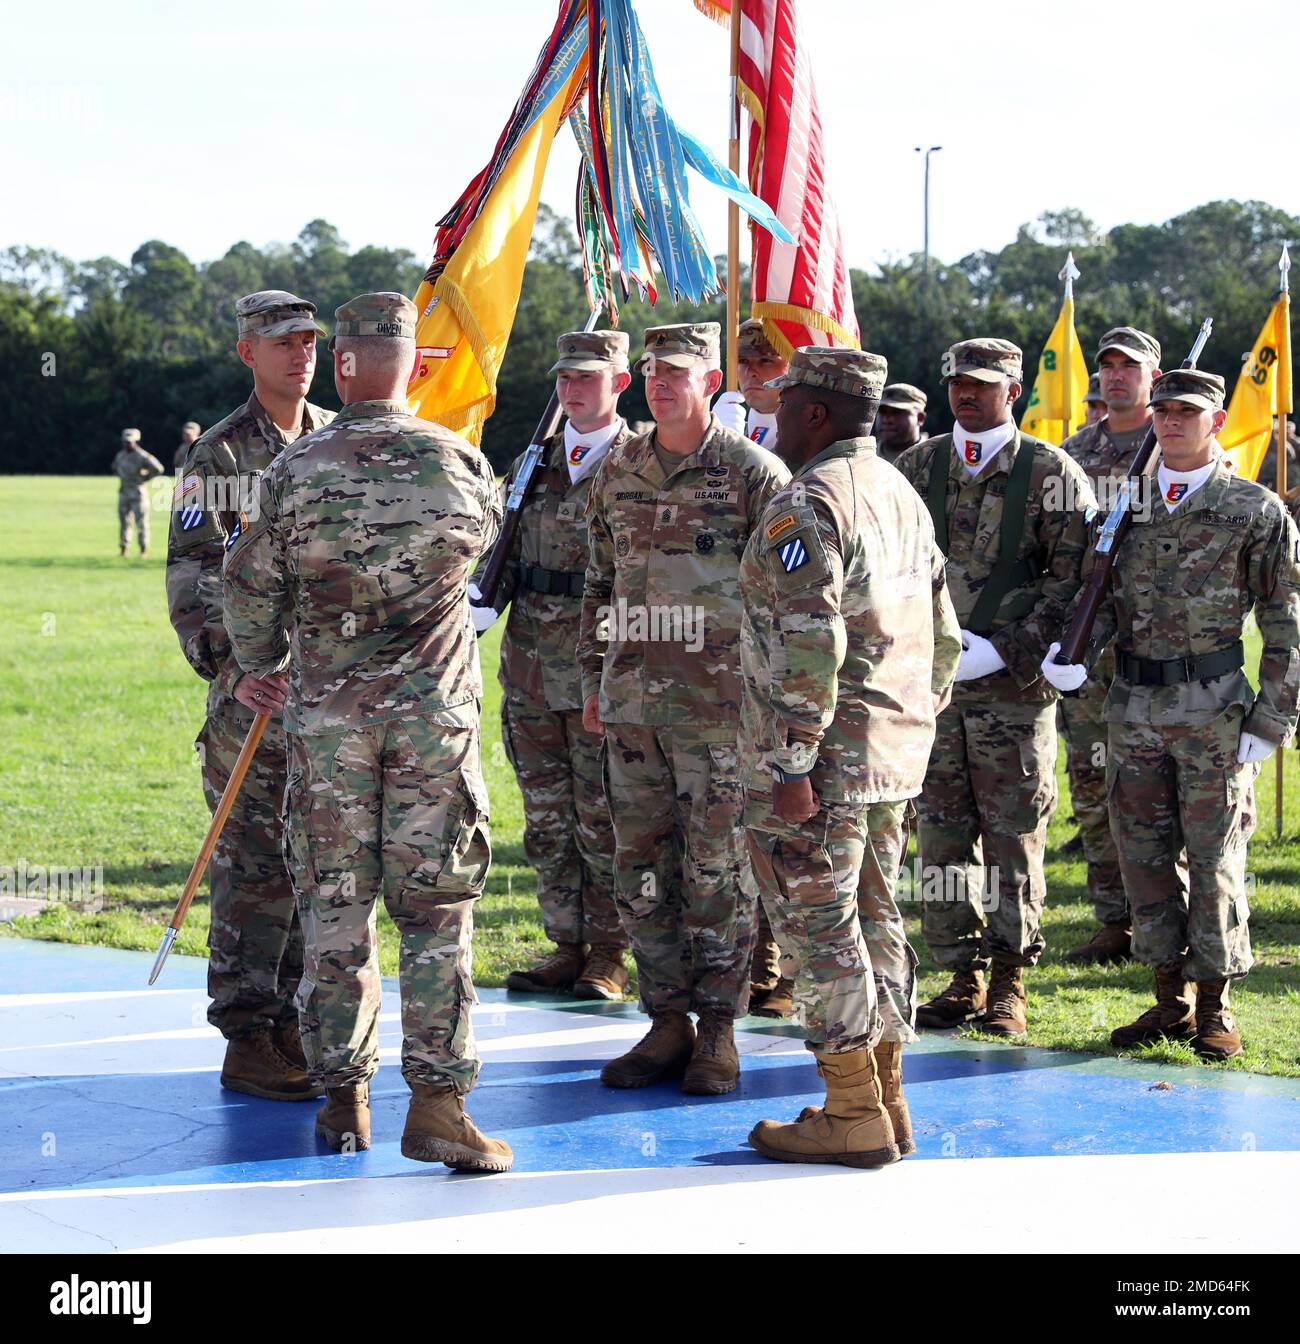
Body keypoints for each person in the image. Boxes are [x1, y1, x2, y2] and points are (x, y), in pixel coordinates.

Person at [224, 292, 511, 1169]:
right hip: (432, 728)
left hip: (327, 730)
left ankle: (344, 1099)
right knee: (435, 915)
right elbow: (482, 549)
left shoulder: (294, 470)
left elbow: (246, 587)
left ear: (343, 364)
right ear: (413, 363)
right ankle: (437, 1104)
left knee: (334, 913)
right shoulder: (460, 464)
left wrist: (261, 657)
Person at [740, 347, 961, 1168]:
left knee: (818, 924)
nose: (776, 415)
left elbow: (808, 640)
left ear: (816, 415)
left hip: (824, 759)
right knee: (874, 917)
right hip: (889, 751)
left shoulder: (810, 502)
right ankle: (886, 1098)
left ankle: (851, 1109)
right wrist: (917, 715)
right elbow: (944, 627)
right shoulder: (899, 487)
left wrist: (793, 760)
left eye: (787, 401)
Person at [1043, 369, 1300, 1061]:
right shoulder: (1123, 509)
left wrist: (1272, 720)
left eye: (1188, 411)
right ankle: (1168, 998)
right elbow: (1098, 600)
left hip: (1215, 710)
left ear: (1216, 422)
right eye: (1163, 410)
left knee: (1215, 858)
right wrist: (1073, 653)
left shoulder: (1254, 510)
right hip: (1132, 708)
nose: (1172, 421)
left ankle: (1215, 1001)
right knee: (1145, 858)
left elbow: (1286, 624)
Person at [579, 322, 790, 1094]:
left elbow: (785, 596)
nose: (659, 381)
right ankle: (665, 1020)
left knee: (718, 871)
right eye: (649, 369)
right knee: (640, 869)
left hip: (719, 710)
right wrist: (592, 681)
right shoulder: (619, 468)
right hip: (633, 704)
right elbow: (599, 582)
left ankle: (721, 1030)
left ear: (709, 378)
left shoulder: (752, 473)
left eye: (676, 370)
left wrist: (769, 699)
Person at [895, 339, 1096, 1036]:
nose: (966, 396)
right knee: (942, 835)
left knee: (1013, 835)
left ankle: (1009, 980)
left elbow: (1073, 581)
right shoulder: (918, 466)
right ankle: (960, 972)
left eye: (982, 385)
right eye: (957, 384)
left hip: (1012, 690)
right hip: (932, 689)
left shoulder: (1051, 473)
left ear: (1014, 389)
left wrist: (1003, 649)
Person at [166, 290, 334, 1102]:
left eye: (308, 340)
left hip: (329, 702)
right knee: (251, 869)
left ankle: (297, 1023)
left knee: (313, 860)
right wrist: (236, 670)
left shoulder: (339, 440)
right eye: (282, 342)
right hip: (254, 702)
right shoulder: (221, 459)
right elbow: (191, 581)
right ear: (247, 353)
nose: (300, 354)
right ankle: (246, 1034)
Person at [472, 330, 634, 1000]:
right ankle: (565, 943)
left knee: (607, 820)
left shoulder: (639, 464)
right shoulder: (534, 463)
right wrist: (484, 603)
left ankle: (610, 953)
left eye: (588, 379)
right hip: (533, 670)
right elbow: (505, 552)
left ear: (620, 383)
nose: (572, 391)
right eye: (564, 379)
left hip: (604, 672)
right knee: (547, 821)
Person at [1057, 327, 1163, 963]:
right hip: (1090, 646)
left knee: (1153, 787)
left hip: (1156, 644)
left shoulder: (1178, 447)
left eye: (1131, 367)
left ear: (1152, 376)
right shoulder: (1072, 455)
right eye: (1108, 367)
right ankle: (1112, 918)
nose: (1117, 377)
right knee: (1093, 780)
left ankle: (1160, 917)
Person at [712, 316, 788, 451]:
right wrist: (712, 444)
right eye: (742, 361)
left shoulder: (810, 444)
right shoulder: (722, 431)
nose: (751, 372)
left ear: (792, 366)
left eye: (765, 360)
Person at [112, 429, 164, 556]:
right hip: (124, 492)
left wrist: (145, 477)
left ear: (136, 441)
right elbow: (115, 467)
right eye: (125, 441)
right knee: (124, 522)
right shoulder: (121, 455)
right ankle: (124, 548)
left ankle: (143, 549)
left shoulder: (142, 456)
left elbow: (158, 468)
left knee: (141, 523)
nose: (127, 444)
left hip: (138, 493)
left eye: (130, 442)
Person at [874, 383, 928, 466]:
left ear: (920, 418)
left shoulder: (934, 457)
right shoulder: (864, 458)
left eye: (896, 412)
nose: (887, 420)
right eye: (882, 411)